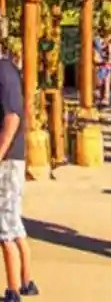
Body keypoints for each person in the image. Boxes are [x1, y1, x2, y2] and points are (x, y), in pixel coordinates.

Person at [0, 49, 36, 302]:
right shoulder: (8, 69)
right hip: (12, 158)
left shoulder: (3, 72)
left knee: (3, 225)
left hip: (8, 159)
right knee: (13, 220)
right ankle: (26, 281)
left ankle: (12, 289)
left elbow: (12, 117)